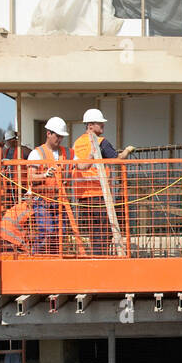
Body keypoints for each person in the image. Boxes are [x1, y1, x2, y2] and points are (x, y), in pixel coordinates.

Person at [72, 108, 135, 255]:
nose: (103, 126)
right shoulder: (101, 142)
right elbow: (117, 159)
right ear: (90, 125)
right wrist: (127, 151)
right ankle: (101, 257)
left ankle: (95, 255)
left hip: (81, 195)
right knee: (103, 229)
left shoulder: (77, 143)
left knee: (92, 229)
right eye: (100, 124)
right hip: (98, 193)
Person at [26, 117, 72, 254]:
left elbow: (80, 164)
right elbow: (30, 177)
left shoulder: (66, 153)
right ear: (48, 134)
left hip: (59, 200)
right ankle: (37, 257)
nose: (59, 139)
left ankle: (54, 258)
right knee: (46, 231)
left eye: (61, 136)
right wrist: (44, 175)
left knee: (60, 232)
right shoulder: (36, 154)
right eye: (57, 136)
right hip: (42, 200)